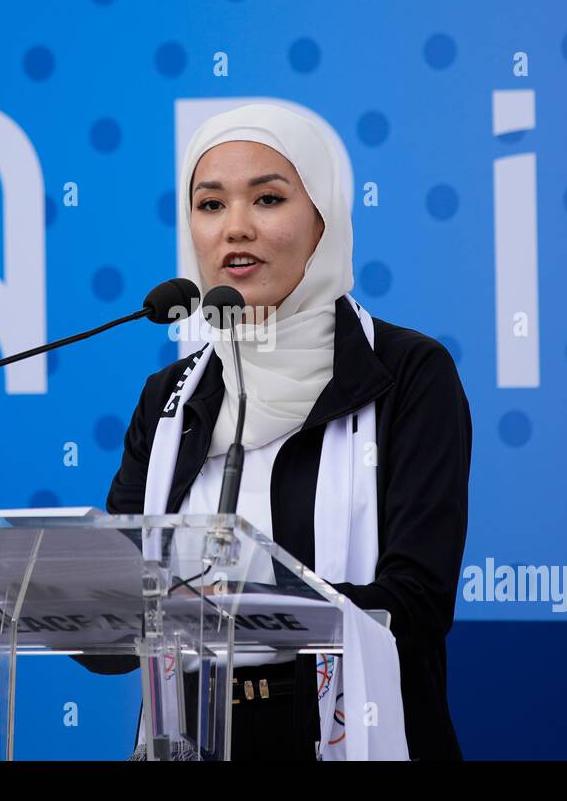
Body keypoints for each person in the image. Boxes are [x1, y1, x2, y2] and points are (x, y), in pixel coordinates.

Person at [89, 102, 472, 760]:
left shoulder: (407, 374)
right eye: (210, 206)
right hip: (192, 738)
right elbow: (116, 640)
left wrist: (235, 606)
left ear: (324, 218)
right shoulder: (170, 399)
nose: (236, 228)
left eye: (267, 198)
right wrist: (73, 600)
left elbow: (415, 605)